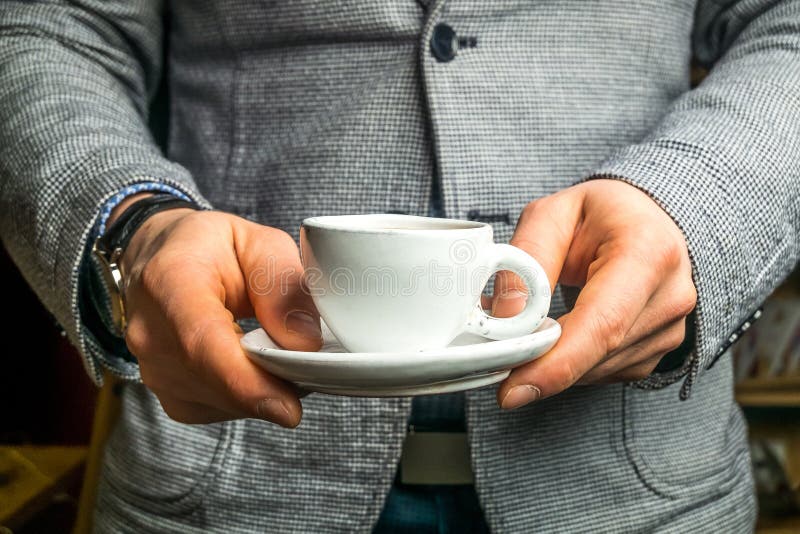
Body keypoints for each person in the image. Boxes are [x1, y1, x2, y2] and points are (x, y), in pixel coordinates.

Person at [1, 1, 798, 532]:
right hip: (219, 490)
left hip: (646, 491)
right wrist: (132, 226)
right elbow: (45, 29)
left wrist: (697, 200)